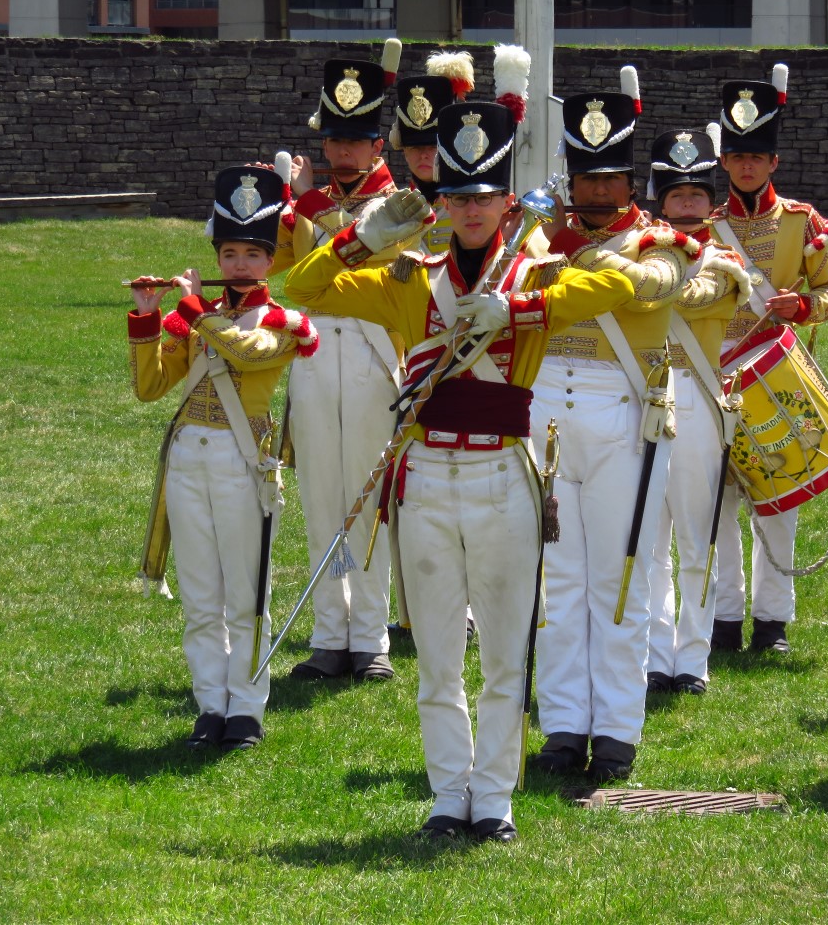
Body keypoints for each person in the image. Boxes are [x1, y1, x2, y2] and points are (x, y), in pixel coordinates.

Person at [285, 100, 634, 843]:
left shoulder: (538, 270)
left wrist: (522, 311)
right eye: (457, 197)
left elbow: (618, 287)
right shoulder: (410, 277)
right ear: (439, 203)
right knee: (439, 655)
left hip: (502, 477)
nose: (470, 210)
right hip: (427, 474)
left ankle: (495, 798)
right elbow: (302, 292)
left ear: (507, 202)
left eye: (484, 197)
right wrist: (360, 238)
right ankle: (450, 794)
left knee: (506, 650)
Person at [524, 69, 699, 783]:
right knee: (559, 582)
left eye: (608, 179)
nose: (595, 191)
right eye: (583, 177)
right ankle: (563, 724)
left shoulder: (666, 241)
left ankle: (618, 730)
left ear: (630, 182)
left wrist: (569, 268)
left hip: (625, 413)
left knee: (621, 577)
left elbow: (653, 284)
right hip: (544, 413)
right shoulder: (535, 239)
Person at [129, 166, 318, 751]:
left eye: (252, 254)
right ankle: (210, 705)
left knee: (247, 594)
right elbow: (151, 386)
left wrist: (196, 311)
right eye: (229, 252)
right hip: (188, 458)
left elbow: (250, 352)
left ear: (270, 261)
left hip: (244, 463)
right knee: (202, 596)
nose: (239, 264)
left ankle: (247, 709)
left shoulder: (285, 323)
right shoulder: (195, 319)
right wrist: (145, 317)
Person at [274, 43, 432, 684]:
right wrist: (282, 201)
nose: (344, 151)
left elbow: (379, 270)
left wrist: (315, 207)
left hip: (372, 354)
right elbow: (276, 267)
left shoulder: (404, 206)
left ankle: (369, 638)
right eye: (336, 137)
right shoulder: (307, 204)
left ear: (378, 146)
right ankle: (327, 635)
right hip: (311, 352)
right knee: (321, 499)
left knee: (365, 500)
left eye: (358, 138)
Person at [708, 65, 828, 657]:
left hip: (779, 373)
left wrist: (805, 305)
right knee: (716, 505)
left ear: (773, 163)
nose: (746, 166)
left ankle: (772, 622)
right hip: (715, 377)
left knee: (778, 502)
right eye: (737, 155)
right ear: (724, 162)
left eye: (757, 156)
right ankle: (722, 619)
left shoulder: (801, 222)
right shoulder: (705, 225)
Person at [644, 127, 750, 696]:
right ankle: (657, 655)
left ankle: (693, 657)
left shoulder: (725, 260)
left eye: (696, 195)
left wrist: (643, 275)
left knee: (695, 535)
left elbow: (691, 296)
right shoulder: (639, 253)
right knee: (649, 537)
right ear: (659, 200)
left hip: (696, 395)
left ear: (711, 201)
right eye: (676, 196)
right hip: (641, 395)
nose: (687, 205)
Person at [389, 49, 475, 253]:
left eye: (432, 146)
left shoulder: (472, 207)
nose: (424, 155)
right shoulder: (390, 207)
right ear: (404, 151)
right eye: (415, 147)